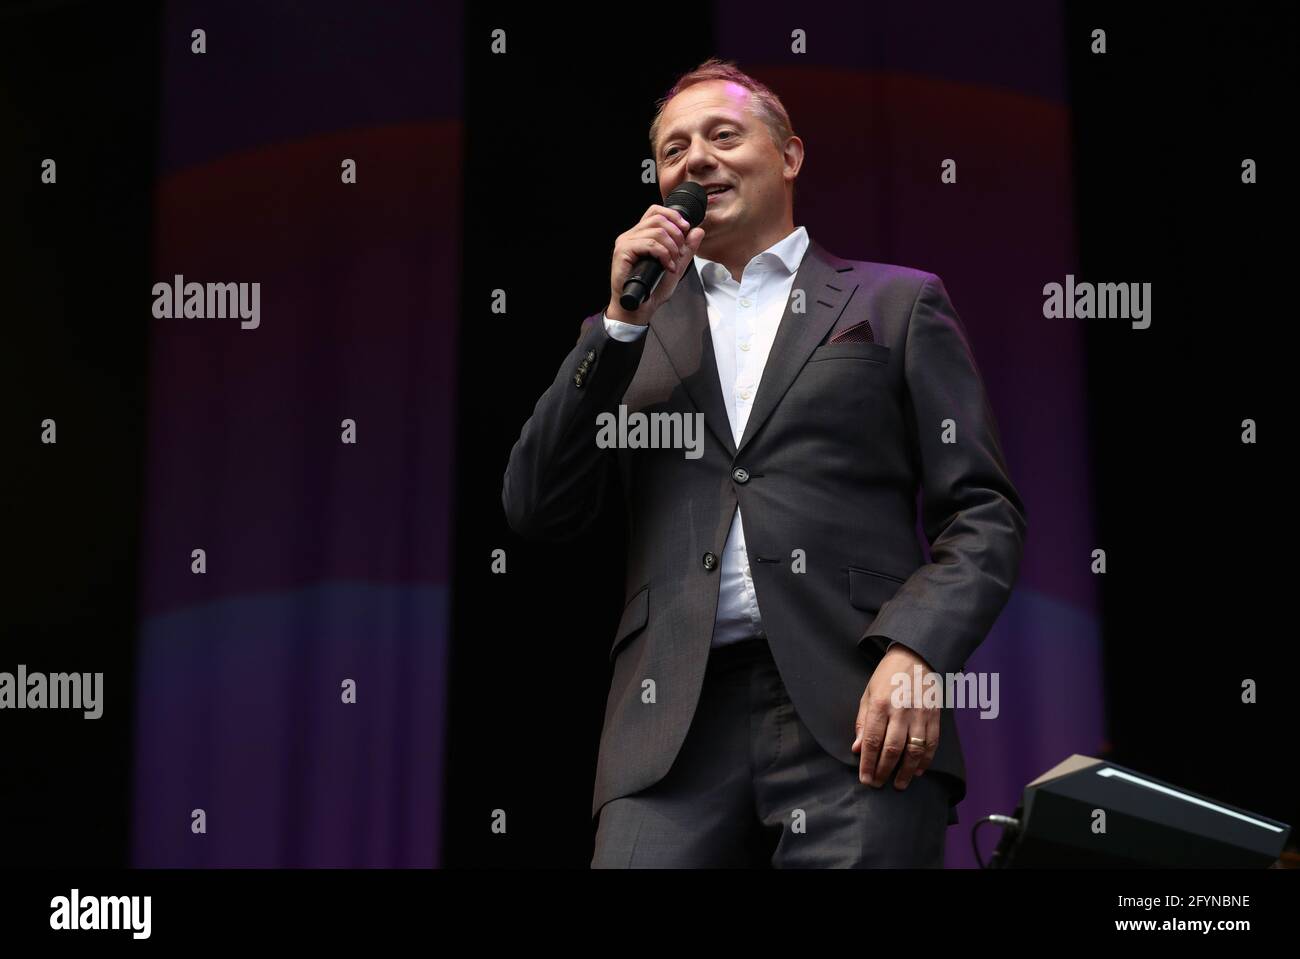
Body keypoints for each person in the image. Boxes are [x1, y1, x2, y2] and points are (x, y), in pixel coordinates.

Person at [502, 58, 1027, 867]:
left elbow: (984, 511)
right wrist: (617, 324)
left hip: (855, 704)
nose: (694, 161)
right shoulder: (629, 332)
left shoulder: (894, 302)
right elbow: (537, 505)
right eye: (673, 151)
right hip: (667, 721)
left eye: (722, 135)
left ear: (789, 156)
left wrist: (917, 651)